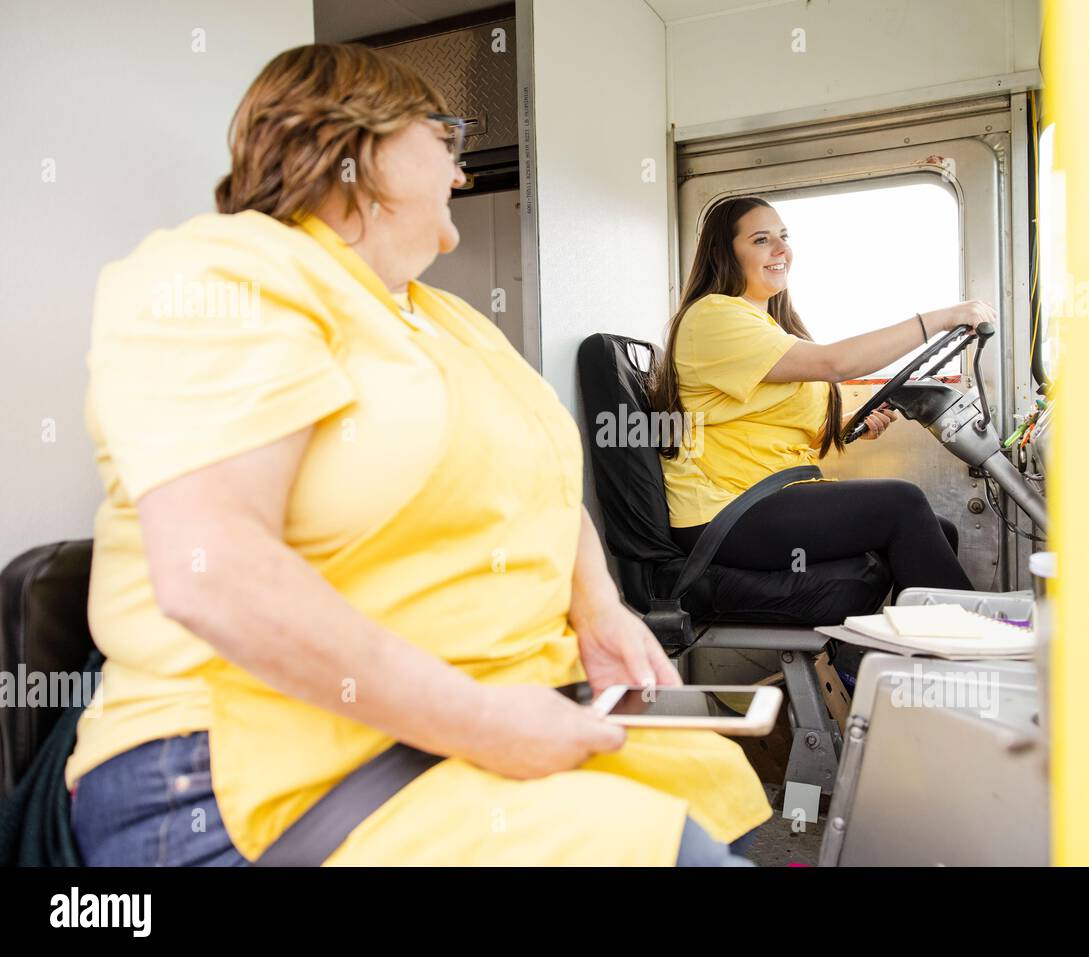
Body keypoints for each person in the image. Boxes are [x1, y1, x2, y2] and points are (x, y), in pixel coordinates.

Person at [66, 44, 769, 866]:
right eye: (446, 140)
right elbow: (214, 569)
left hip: (469, 719)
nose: (462, 172)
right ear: (353, 145)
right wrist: (481, 720)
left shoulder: (450, 320)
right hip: (255, 764)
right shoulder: (230, 275)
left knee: (713, 802)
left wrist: (599, 610)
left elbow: (540, 490)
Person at [652, 195, 996, 593]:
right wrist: (940, 319)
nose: (782, 249)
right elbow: (836, 363)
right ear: (723, 252)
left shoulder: (769, 328)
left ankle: (883, 653)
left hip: (767, 493)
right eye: (761, 240)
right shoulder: (713, 317)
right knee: (903, 505)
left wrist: (849, 425)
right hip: (723, 513)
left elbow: (769, 433)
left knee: (941, 530)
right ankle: (967, 646)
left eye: (784, 236)